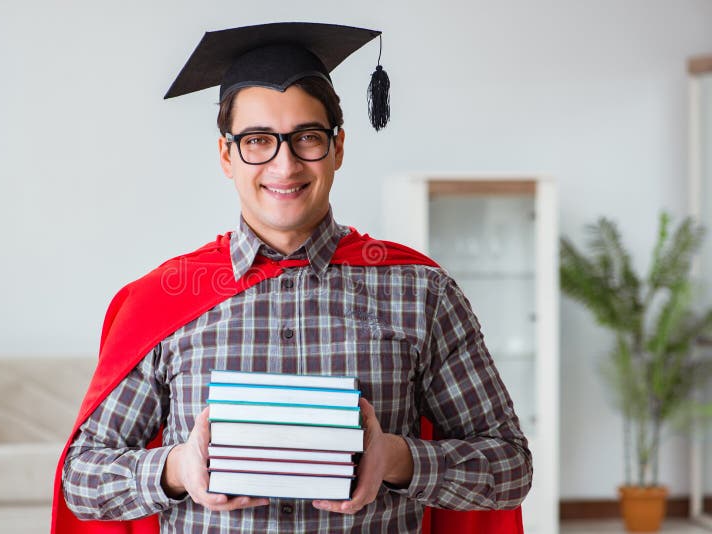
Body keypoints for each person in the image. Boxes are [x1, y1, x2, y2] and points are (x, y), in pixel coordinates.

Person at [52, 22, 532, 534]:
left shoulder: (421, 294)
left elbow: (508, 466)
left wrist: (396, 458)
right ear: (226, 156)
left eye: (307, 137)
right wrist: (176, 470)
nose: (285, 165)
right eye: (258, 140)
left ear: (338, 148)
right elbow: (81, 477)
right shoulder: (165, 301)